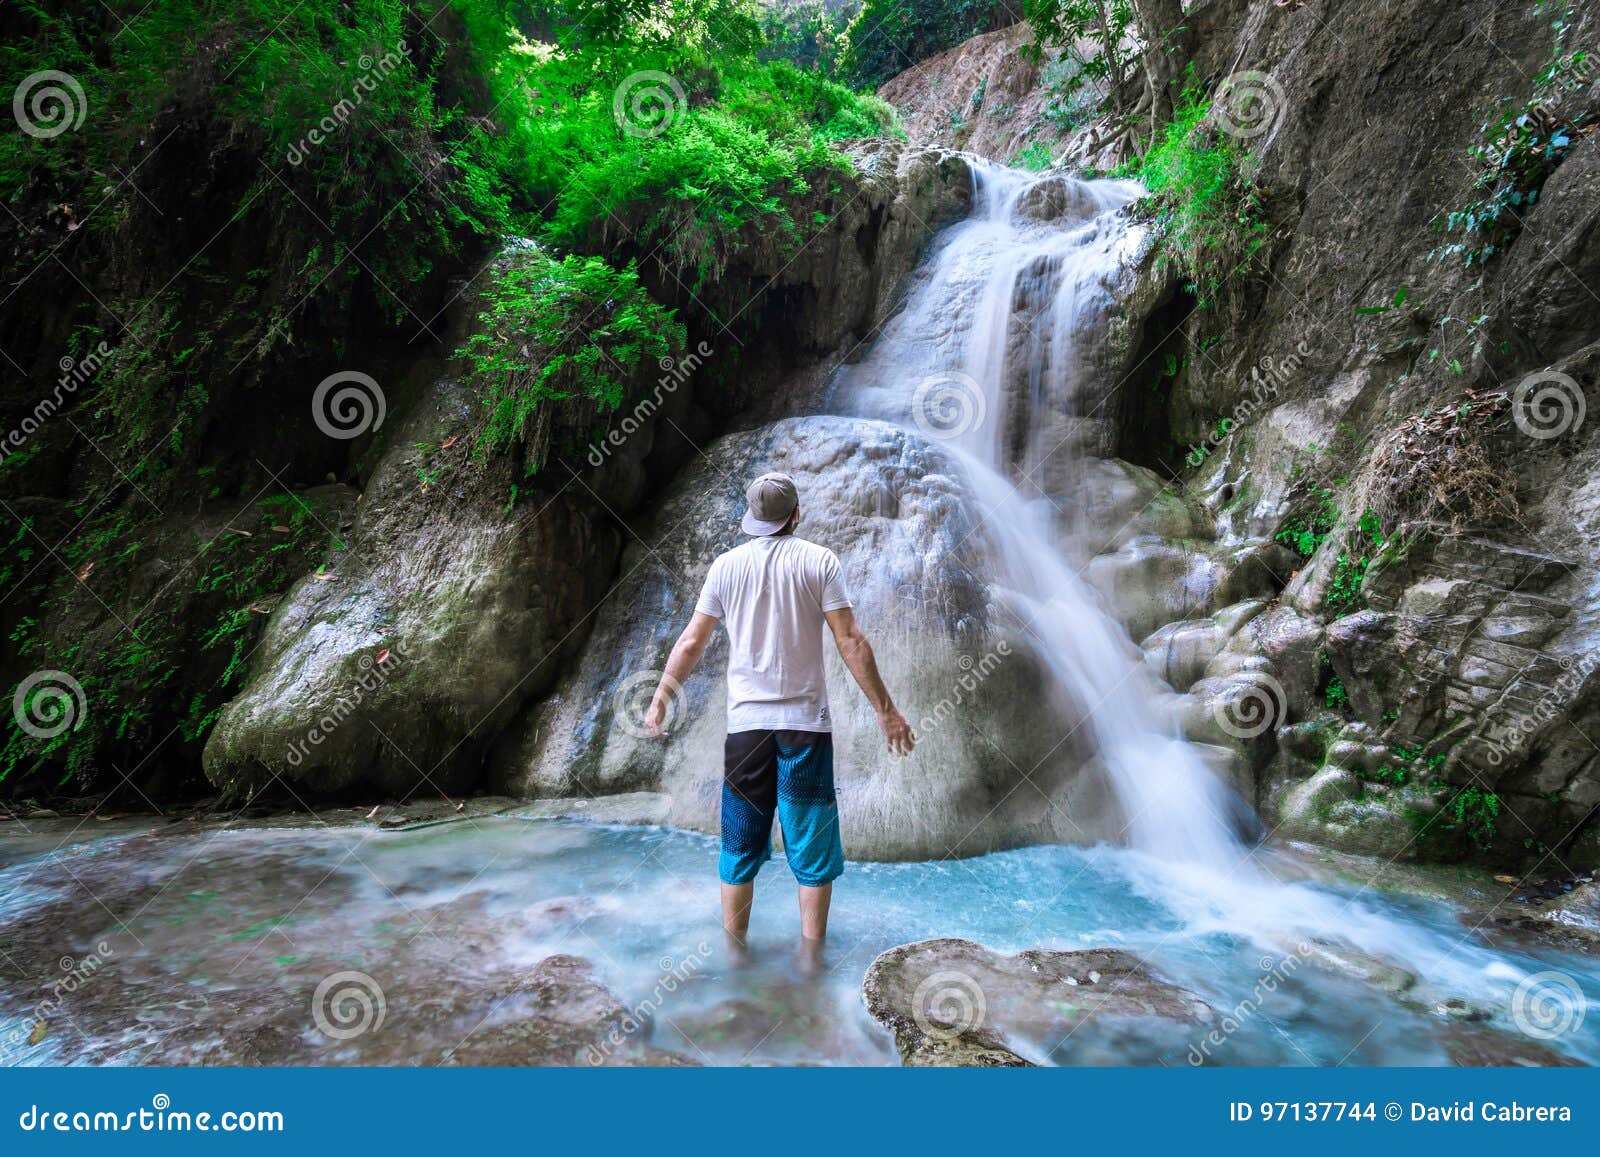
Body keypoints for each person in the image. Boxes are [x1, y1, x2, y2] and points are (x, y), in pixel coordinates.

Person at [644, 470, 914, 956]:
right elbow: (850, 640)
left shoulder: (725, 567)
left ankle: (735, 958)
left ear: (753, 519)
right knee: (811, 849)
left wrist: (661, 696)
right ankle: (812, 964)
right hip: (805, 728)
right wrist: (886, 711)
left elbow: (692, 641)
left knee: (739, 847)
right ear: (795, 516)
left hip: (747, 731)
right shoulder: (820, 562)